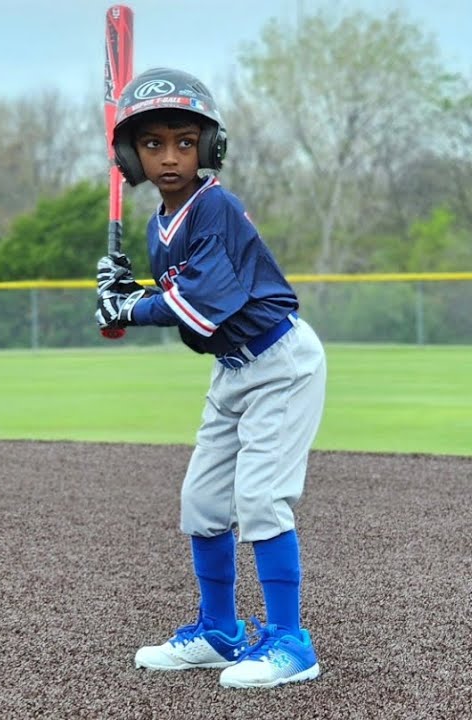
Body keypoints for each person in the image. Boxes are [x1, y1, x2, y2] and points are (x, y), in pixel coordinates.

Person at [94, 67, 328, 689]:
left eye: (184, 141)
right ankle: (221, 632)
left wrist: (129, 308)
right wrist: (129, 292)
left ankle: (290, 642)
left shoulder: (215, 207)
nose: (169, 157)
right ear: (129, 156)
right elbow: (182, 308)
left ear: (209, 147)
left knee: (258, 499)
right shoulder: (158, 226)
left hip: (281, 364)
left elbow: (199, 303)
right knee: (201, 502)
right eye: (152, 144)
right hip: (234, 370)